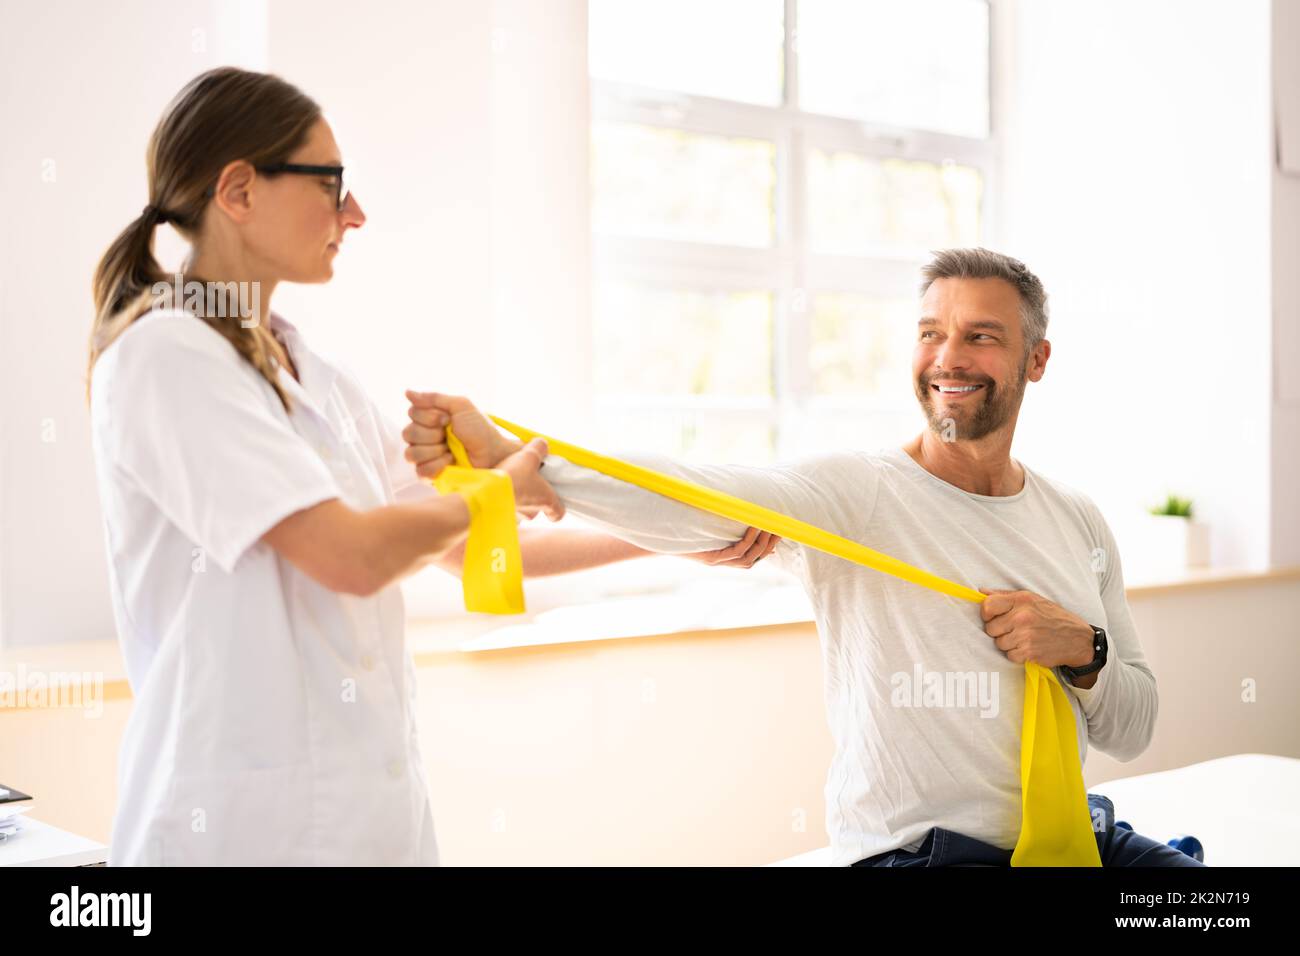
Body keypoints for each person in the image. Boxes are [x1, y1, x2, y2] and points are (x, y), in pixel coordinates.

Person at [86, 66, 771, 866]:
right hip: (236, 834)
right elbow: (349, 554)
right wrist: (492, 493)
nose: (356, 213)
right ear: (238, 191)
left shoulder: (322, 380)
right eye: (331, 185)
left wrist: (675, 538)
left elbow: (481, 553)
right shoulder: (166, 356)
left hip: (371, 825)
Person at [404, 248, 1204, 866]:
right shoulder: (857, 493)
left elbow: (1135, 727)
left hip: (1073, 841)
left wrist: (1084, 652)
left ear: (1036, 360)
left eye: (980, 336)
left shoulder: (1080, 522)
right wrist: (530, 465)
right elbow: (696, 493)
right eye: (931, 332)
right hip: (922, 856)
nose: (948, 357)